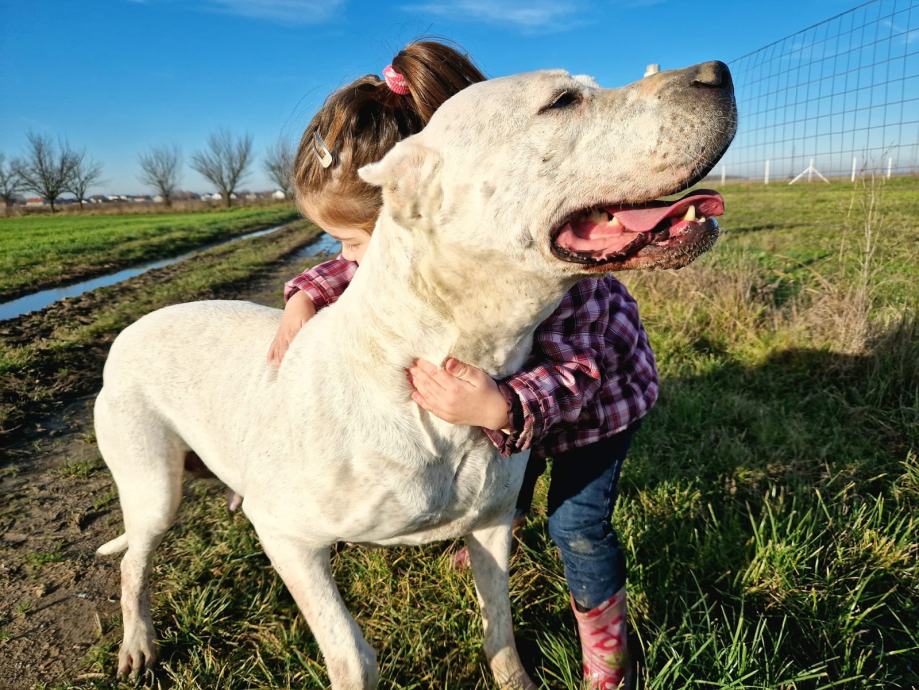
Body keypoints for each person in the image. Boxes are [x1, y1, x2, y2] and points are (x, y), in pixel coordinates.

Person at [267, 39, 658, 690]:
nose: (355, 257)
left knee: (578, 525)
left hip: (592, 414)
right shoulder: (416, 236)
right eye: (339, 240)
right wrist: (304, 293)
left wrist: (503, 408)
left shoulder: (541, 259)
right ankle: (485, 525)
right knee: (502, 487)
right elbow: (365, 270)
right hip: (502, 405)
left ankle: (606, 656)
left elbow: (585, 367)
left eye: (363, 238)